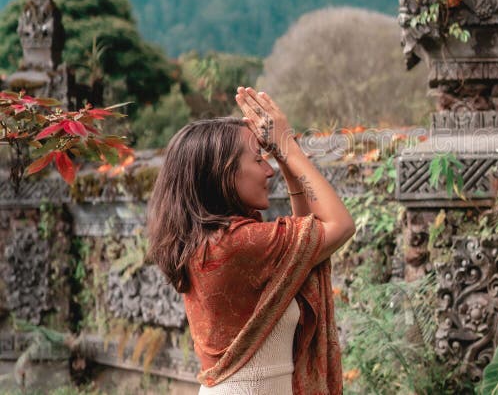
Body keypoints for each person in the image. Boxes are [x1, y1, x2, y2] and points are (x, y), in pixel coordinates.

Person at [146, 87, 355, 394]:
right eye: (259, 159)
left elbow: (304, 249)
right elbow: (340, 224)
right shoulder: (235, 245)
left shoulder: (213, 242)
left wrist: (287, 163)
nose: (268, 170)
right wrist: (288, 148)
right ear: (223, 173)